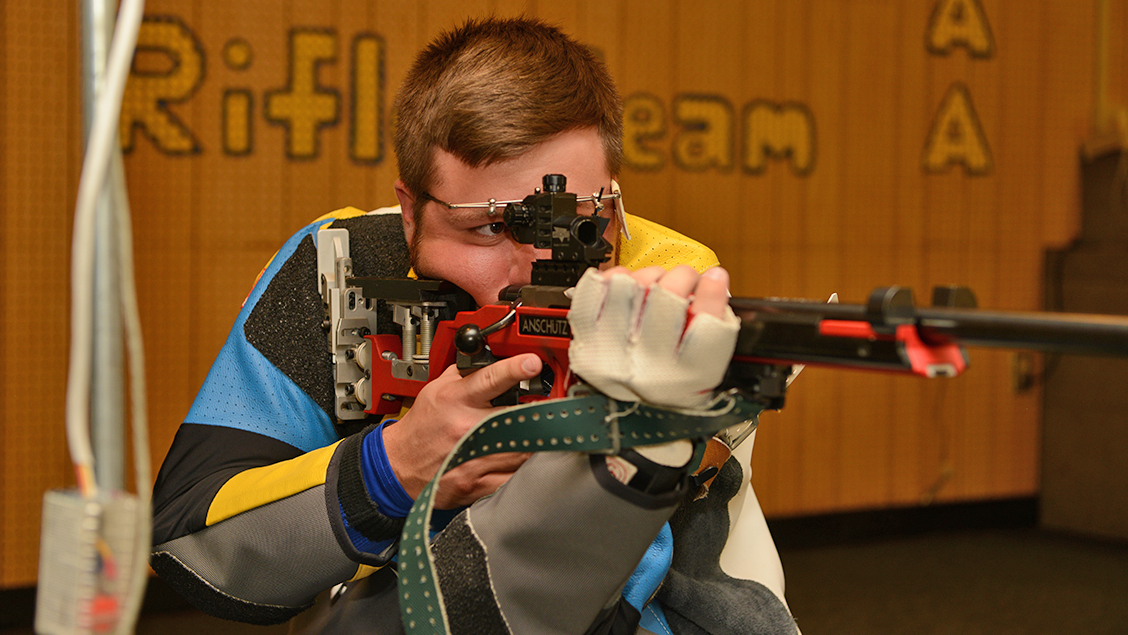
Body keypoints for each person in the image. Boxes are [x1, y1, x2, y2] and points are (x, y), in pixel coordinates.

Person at [150, 17, 798, 635]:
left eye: (577, 226)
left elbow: (568, 596)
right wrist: (392, 467)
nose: (535, 269)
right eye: (489, 227)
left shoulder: (670, 286)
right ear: (410, 212)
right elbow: (187, 540)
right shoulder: (340, 267)